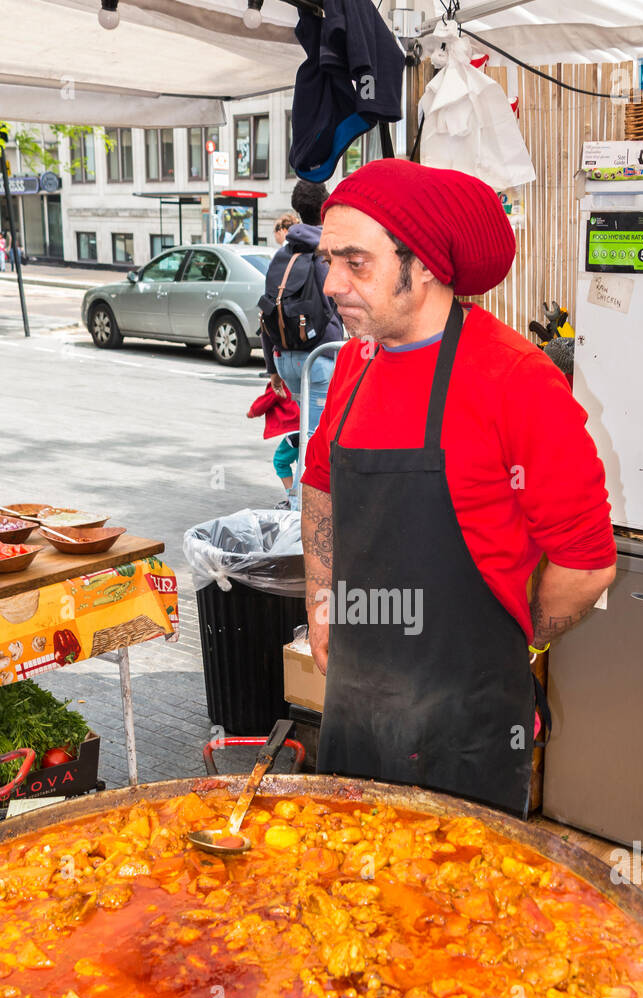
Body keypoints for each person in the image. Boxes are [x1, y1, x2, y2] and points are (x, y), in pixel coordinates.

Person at [301, 159, 617, 817]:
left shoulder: (515, 380)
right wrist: (321, 600)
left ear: (423, 266)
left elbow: (586, 566)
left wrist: (512, 646)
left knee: (455, 909)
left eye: (355, 263)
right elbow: (322, 485)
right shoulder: (355, 364)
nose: (331, 284)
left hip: (465, 725)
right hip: (355, 704)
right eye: (328, 260)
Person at [261, 180, 344, 505]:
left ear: (297, 210)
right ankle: (301, 508)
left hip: (286, 359)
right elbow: (336, 299)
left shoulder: (283, 254)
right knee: (314, 437)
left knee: (309, 432)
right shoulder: (325, 252)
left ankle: (302, 502)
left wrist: (272, 369)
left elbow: (266, 309)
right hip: (320, 357)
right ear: (324, 207)